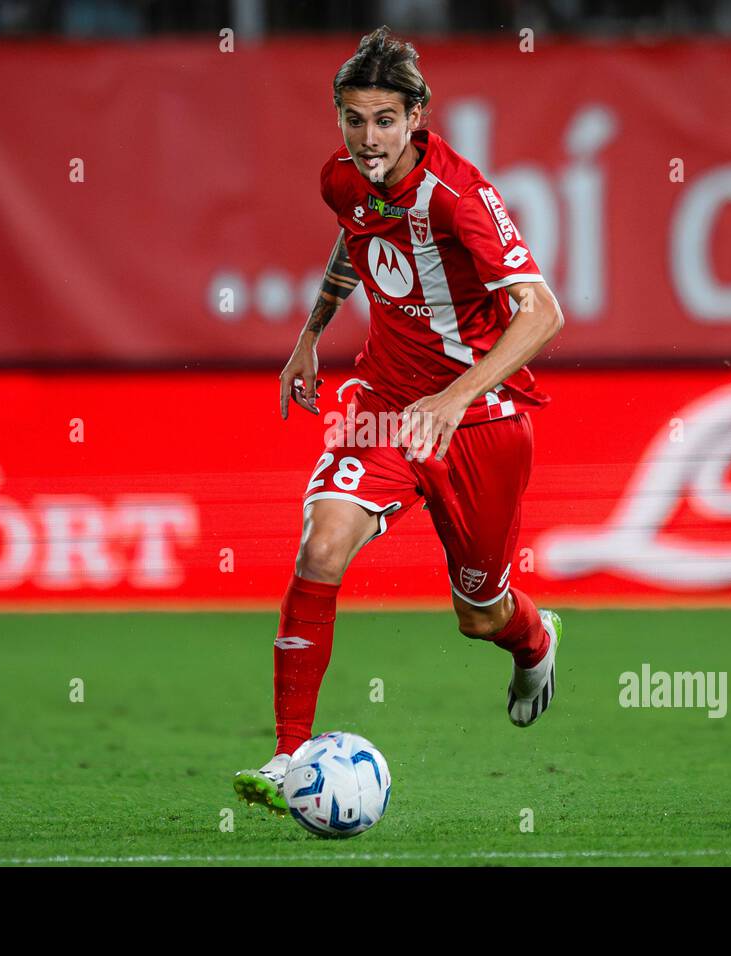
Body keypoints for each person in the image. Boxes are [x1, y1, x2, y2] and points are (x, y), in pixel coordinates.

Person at [234, 26, 565, 815]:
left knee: (478, 613)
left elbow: (543, 313)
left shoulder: (459, 195)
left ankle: (535, 641)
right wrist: (313, 332)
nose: (368, 137)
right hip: (383, 404)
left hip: (478, 418)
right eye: (353, 118)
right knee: (321, 544)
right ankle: (287, 757)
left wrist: (453, 397)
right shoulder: (341, 179)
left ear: (419, 116)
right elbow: (356, 239)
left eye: (385, 119)